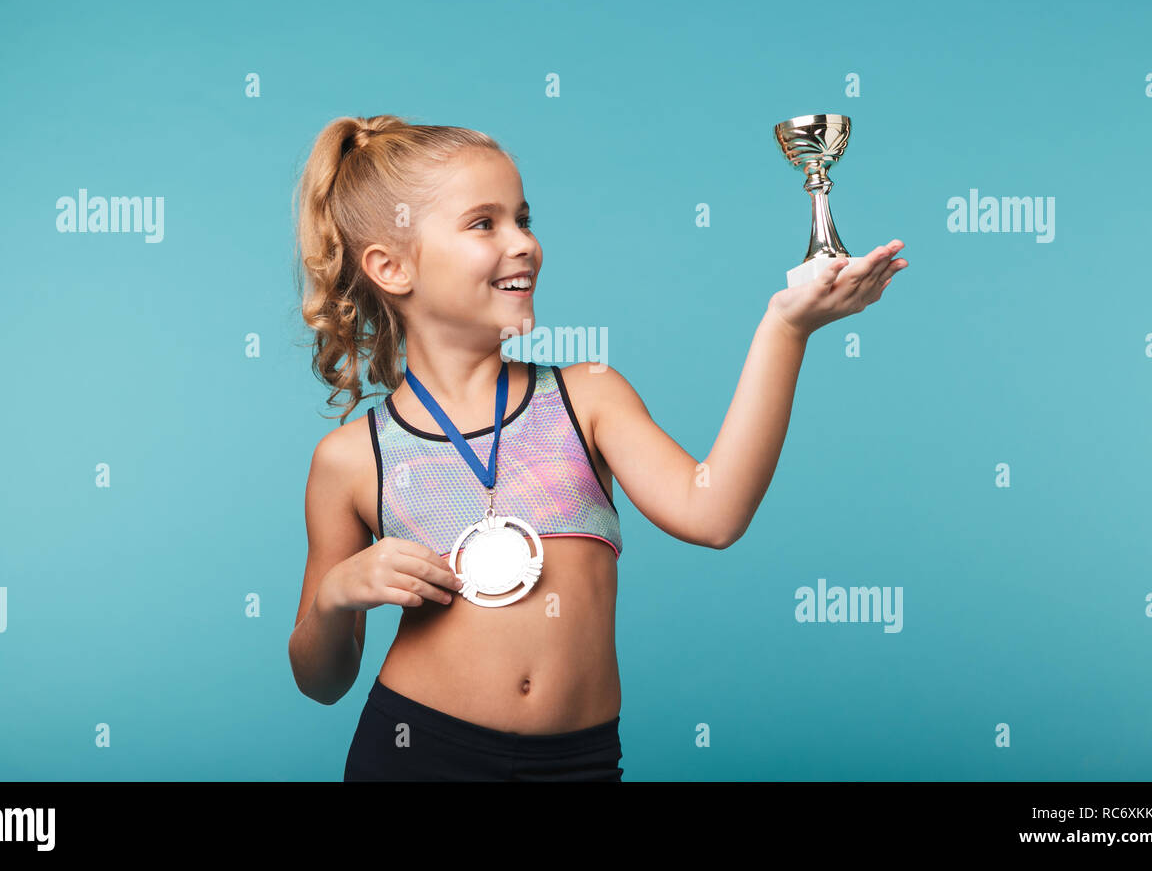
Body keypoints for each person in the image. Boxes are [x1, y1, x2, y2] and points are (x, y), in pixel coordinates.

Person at [285, 114, 908, 781]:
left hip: (577, 763)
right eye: (484, 223)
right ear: (391, 266)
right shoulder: (352, 459)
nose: (524, 243)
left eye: (523, 219)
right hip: (418, 753)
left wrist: (785, 329)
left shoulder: (588, 396)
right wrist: (335, 597)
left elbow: (715, 514)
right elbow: (322, 680)